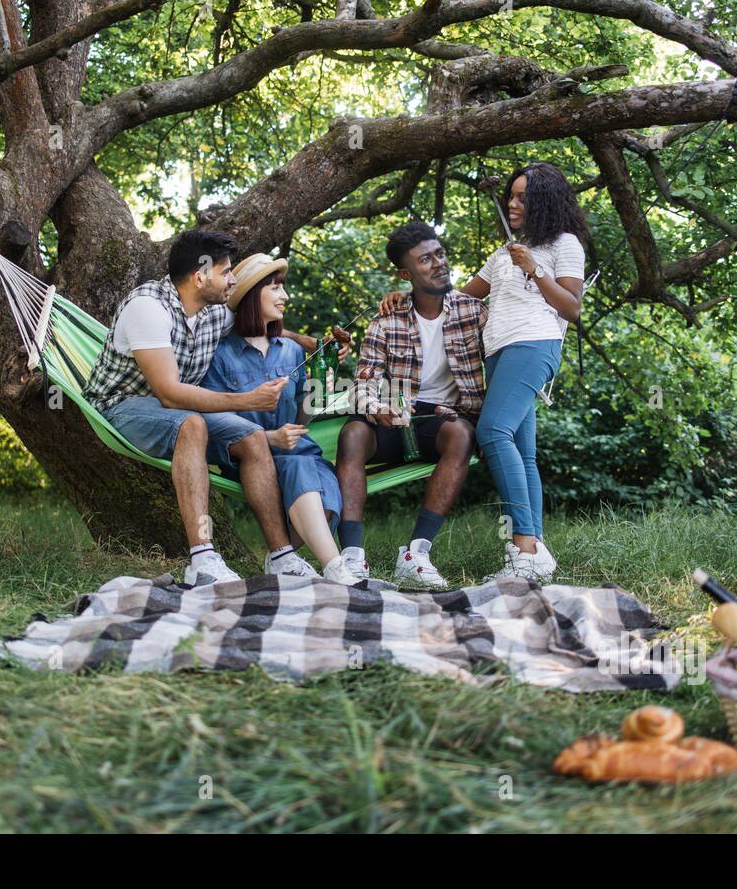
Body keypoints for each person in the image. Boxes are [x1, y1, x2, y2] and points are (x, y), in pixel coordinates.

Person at [81, 229, 316, 585]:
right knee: (192, 424)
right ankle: (202, 560)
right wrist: (247, 400)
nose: (233, 280)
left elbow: (259, 328)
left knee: (252, 436)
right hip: (120, 407)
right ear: (200, 276)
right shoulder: (148, 308)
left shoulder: (214, 313)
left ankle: (281, 556)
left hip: (177, 411)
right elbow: (170, 395)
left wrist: (310, 342)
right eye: (226, 272)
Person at [336, 222, 487, 588]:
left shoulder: (474, 311)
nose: (438, 263)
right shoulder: (386, 320)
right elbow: (363, 384)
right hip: (395, 418)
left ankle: (416, 553)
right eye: (425, 260)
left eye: (440, 254)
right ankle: (351, 558)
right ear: (406, 273)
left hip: (443, 421)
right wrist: (377, 410)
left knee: (461, 436)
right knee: (353, 433)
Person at [201, 254, 363, 585]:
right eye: (275, 288)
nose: (284, 296)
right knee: (301, 471)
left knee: (327, 500)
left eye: (283, 288)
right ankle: (336, 570)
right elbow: (214, 421)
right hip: (253, 458)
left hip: (299, 450)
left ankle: (281, 558)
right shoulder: (218, 354)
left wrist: (317, 395)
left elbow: (302, 418)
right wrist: (269, 438)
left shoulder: (290, 351)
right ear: (250, 296)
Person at [464, 162, 586, 579]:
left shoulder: (564, 243)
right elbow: (460, 299)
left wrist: (533, 268)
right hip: (499, 350)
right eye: (510, 196)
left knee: (491, 432)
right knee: (524, 452)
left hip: (534, 343)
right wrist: (409, 294)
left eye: (522, 198)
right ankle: (537, 555)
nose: (512, 204)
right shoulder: (502, 253)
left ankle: (524, 548)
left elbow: (571, 306)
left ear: (543, 203)